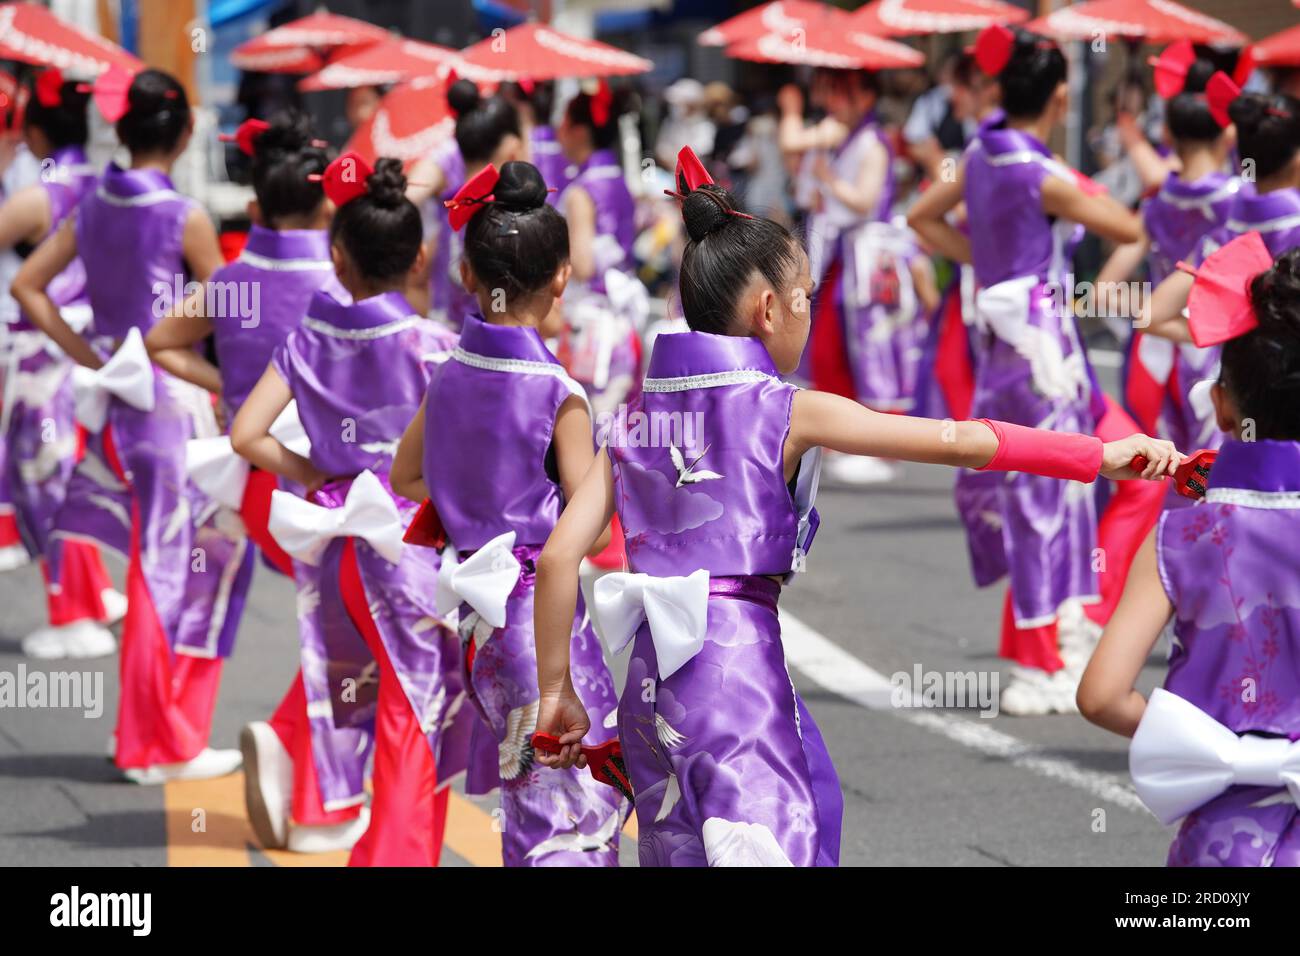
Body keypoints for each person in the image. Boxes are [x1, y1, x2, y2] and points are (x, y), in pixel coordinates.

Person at [531, 148, 1180, 867]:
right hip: (734, 676)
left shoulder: (633, 421)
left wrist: (557, 689)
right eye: (806, 296)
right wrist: (1096, 454)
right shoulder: (787, 408)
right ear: (768, 308)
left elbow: (561, 557)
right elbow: (960, 441)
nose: (808, 310)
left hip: (649, 689)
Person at [232, 154, 468, 867]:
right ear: (421, 255)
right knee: (414, 716)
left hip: (338, 545)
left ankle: (316, 801)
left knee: (352, 696)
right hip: (408, 550)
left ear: (336, 257)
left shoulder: (307, 340)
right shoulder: (438, 348)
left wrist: (315, 472)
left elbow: (246, 433)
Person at [145, 112, 372, 853]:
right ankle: (311, 787)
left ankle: (191, 739)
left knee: (218, 611)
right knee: (357, 640)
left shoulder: (233, 280)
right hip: (322, 493)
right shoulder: (341, 289)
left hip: (247, 480)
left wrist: (228, 390)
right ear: (328, 206)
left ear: (256, 206)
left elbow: (159, 342)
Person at [391, 160, 626, 866]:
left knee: (531, 799)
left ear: (468, 275)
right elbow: (593, 531)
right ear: (561, 278)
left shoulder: (448, 372)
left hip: (479, 623)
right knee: (574, 811)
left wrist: (470, 503)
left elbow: (407, 475)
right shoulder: (559, 392)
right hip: (540, 620)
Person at [13, 68, 244, 783]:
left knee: (158, 564)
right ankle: (157, 743)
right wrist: (227, 384)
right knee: (167, 571)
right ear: (179, 136)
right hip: (171, 408)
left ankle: (150, 734)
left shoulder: (94, 204)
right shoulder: (184, 216)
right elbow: (230, 310)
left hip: (117, 405)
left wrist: (94, 353)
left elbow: (28, 286)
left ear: (123, 130)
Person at [907, 26, 1145, 715]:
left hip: (1013, 346)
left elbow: (921, 216)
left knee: (1072, 488)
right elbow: (1127, 228)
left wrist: (989, 263)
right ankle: (1039, 662)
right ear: (1061, 94)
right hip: (1041, 355)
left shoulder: (977, 153)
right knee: (1045, 501)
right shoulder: (1040, 173)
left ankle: (1069, 623)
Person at [1079, 239, 1300, 867]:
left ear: (1222, 407)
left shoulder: (1182, 534)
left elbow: (1101, 695)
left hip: (1221, 839)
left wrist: (1215, 743)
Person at [0, 69, 125, 659]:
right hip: (92, 357)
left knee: (47, 485)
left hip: (45, 359)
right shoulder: (103, 184)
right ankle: (93, 594)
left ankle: (74, 613)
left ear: (38, 134)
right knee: (75, 478)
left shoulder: (39, 194)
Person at [556, 83, 649, 416]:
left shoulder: (580, 192)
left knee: (590, 423)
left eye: (564, 123)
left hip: (592, 327)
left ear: (580, 131)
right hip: (624, 320)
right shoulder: (619, 181)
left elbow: (581, 266)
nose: (558, 131)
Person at [407, 79, 525, 331]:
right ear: (512, 149)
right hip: (500, 344)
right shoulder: (509, 216)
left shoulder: (453, 207)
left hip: (446, 334)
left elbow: (409, 194)